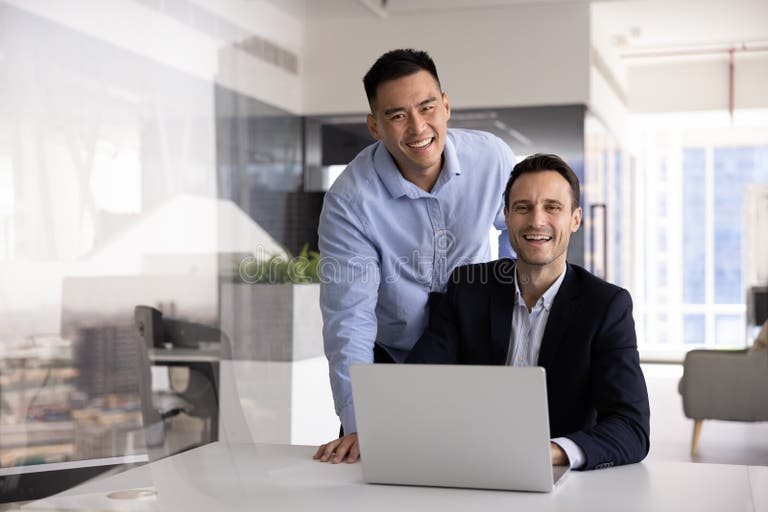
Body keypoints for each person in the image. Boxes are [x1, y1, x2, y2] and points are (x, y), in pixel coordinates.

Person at [313, 49, 515, 464]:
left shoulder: (491, 159)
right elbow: (350, 317)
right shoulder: (350, 201)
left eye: (426, 107)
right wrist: (358, 422)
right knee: (372, 481)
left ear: (445, 105)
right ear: (375, 126)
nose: (418, 127)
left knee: (483, 471)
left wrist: (510, 308)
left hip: (473, 356)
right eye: (397, 115)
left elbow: (516, 233)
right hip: (393, 358)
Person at [406, 153, 650, 470]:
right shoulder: (468, 289)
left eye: (552, 207)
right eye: (523, 207)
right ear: (507, 217)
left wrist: (547, 453)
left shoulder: (606, 306)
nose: (537, 220)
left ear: (575, 219)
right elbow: (416, 382)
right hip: (465, 465)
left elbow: (631, 428)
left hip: (556, 481)